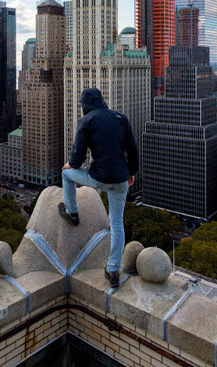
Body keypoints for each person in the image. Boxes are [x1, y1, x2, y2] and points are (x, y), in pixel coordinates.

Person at [59, 88, 138, 288]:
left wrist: (71, 164)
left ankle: (72, 212)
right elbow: (133, 149)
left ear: (85, 104)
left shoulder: (87, 120)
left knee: (66, 174)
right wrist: (131, 173)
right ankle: (113, 270)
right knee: (117, 224)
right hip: (121, 180)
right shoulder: (121, 117)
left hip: (99, 177)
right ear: (101, 100)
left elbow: (78, 154)